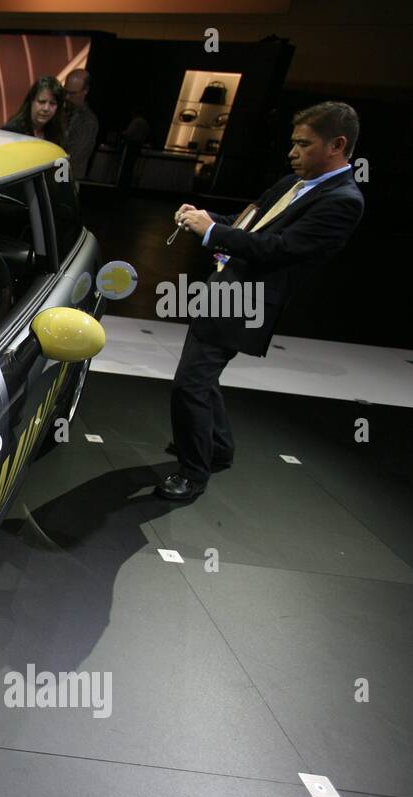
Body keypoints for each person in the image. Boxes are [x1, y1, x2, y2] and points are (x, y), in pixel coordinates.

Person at [159, 101, 365, 501]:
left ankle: (193, 471)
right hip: (224, 291)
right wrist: (207, 219)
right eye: (293, 143)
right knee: (201, 380)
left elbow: (278, 249)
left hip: (247, 302)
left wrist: (210, 232)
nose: (293, 153)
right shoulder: (293, 182)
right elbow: (249, 226)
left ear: (337, 144)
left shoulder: (343, 200)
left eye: (304, 145)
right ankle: (217, 448)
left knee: (190, 385)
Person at [1, 76, 66, 146]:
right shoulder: (12, 131)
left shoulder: (57, 132)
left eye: (52, 104)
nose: (46, 108)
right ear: (31, 101)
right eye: (42, 102)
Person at [62, 68, 97, 179]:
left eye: (72, 93)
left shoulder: (88, 121)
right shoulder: (60, 111)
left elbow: (73, 157)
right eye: (65, 92)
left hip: (66, 181)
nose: (67, 97)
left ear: (85, 90)